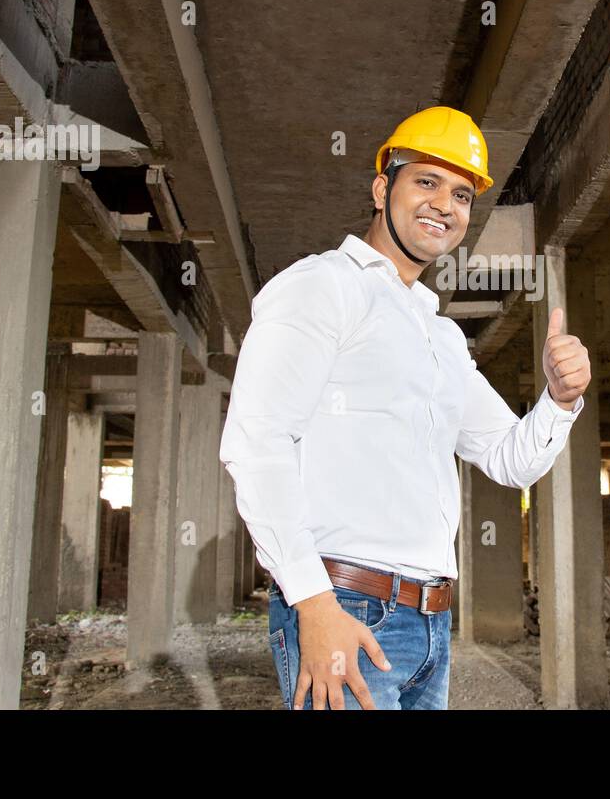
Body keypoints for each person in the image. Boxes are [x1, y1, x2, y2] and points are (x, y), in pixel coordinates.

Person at [219, 106, 591, 710]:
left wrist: (559, 398)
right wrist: (313, 602)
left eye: (463, 194)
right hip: (346, 604)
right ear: (380, 188)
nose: (445, 204)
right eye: (426, 181)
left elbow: (508, 459)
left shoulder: (439, 336)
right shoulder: (322, 287)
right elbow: (255, 444)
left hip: (429, 623)